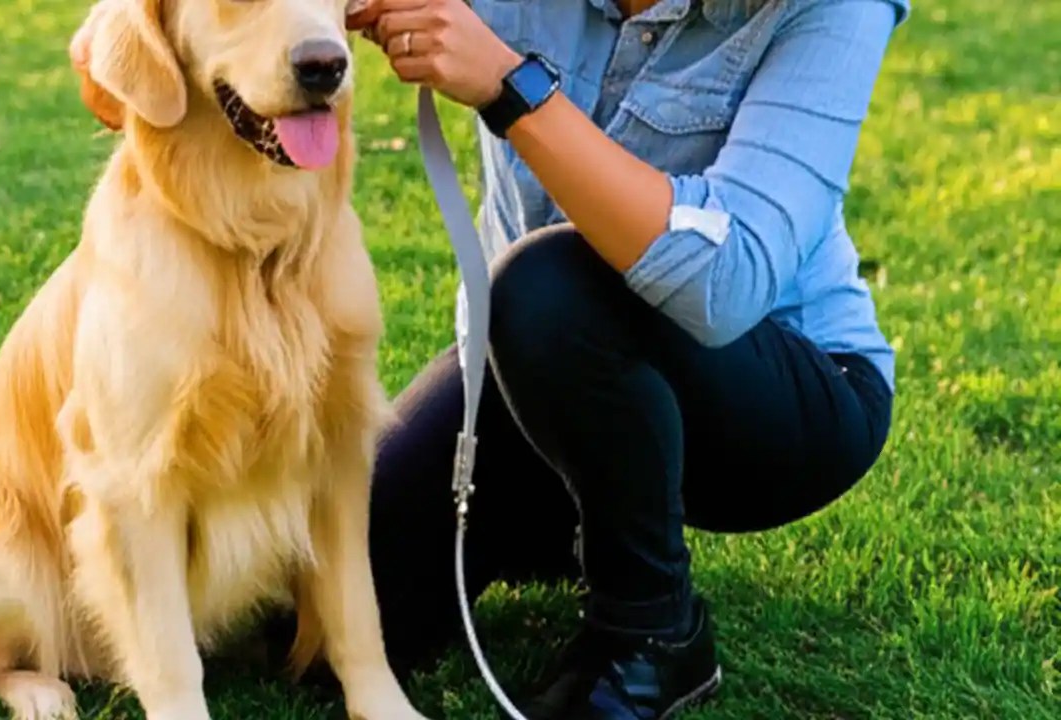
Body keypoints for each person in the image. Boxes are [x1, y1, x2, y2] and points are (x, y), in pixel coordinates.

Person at [70, 0, 909, 717]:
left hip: (787, 398)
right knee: (309, 630)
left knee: (545, 284)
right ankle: (569, 519)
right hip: (530, 383)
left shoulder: (834, 11)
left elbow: (727, 285)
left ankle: (651, 632)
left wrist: (513, 89)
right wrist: (126, 38)